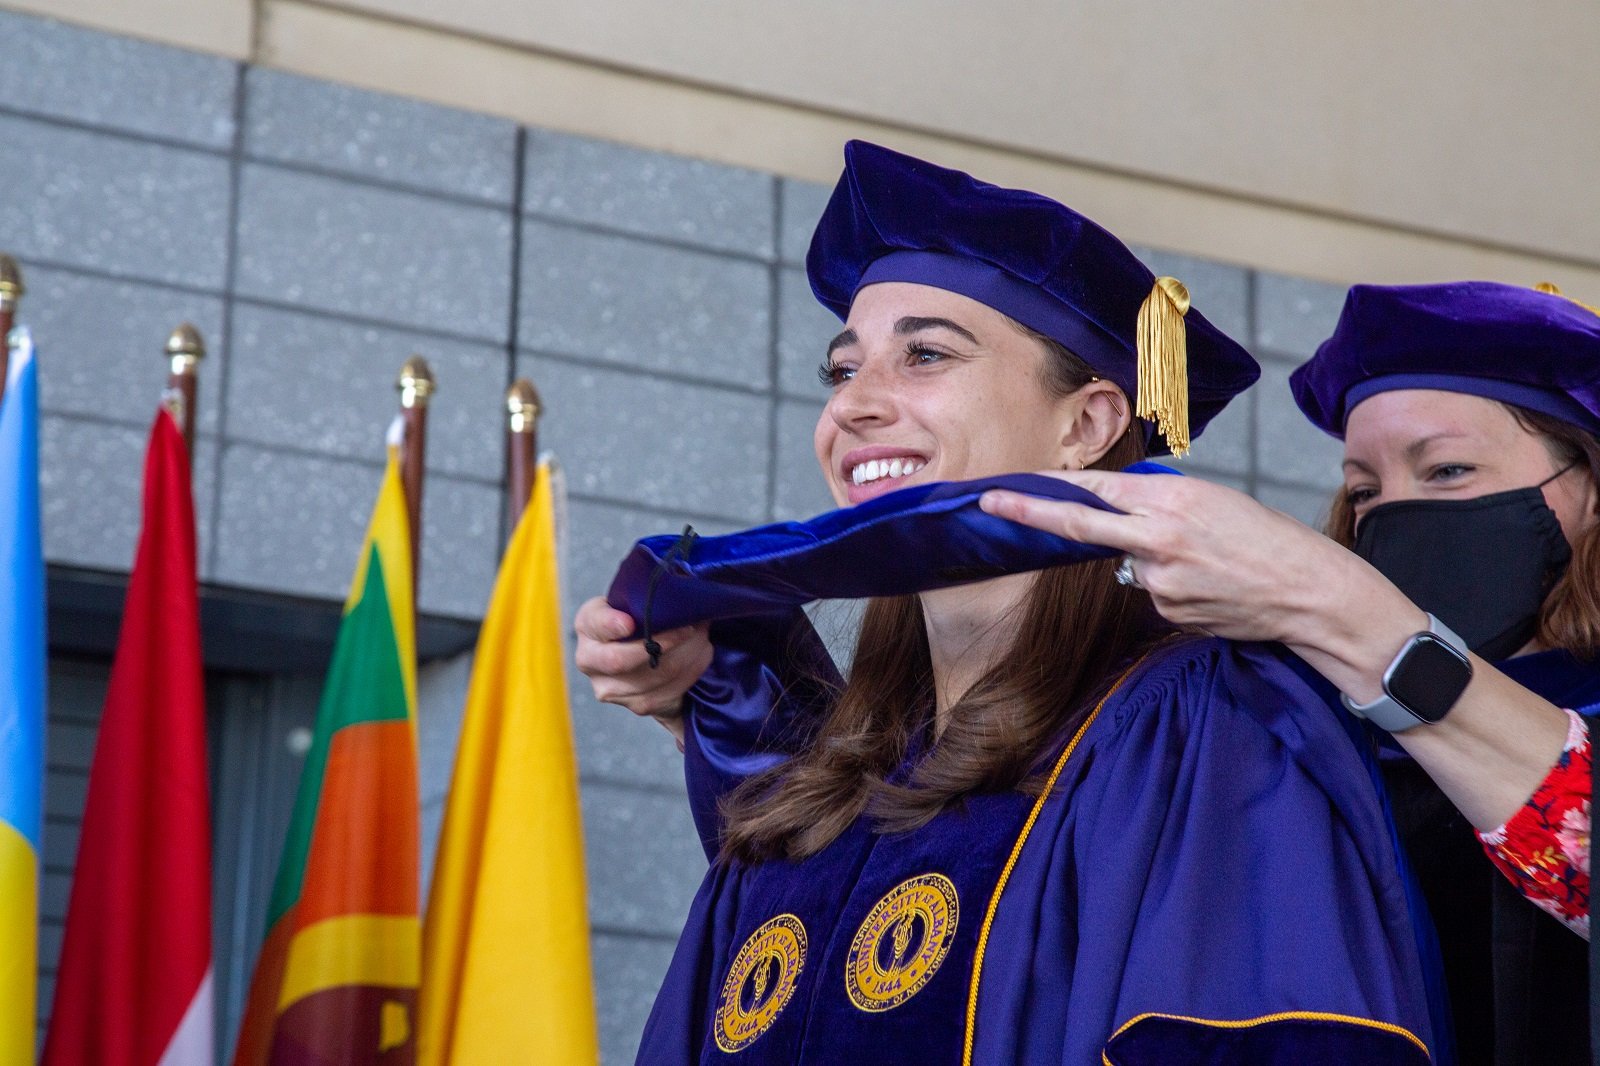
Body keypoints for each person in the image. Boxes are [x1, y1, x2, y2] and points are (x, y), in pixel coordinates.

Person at [577, 141, 1441, 1064]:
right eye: (842, 369)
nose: (855, 406)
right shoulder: (839, 785)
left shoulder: (1195, 728)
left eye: (925, 356)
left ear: (1088, 425)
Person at [978, 280, 1600, 1063]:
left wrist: (1320, 595)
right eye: (1365, 490)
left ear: (1590, 490)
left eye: (1446, 472)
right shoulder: (1304, 731)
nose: (1393, 515)